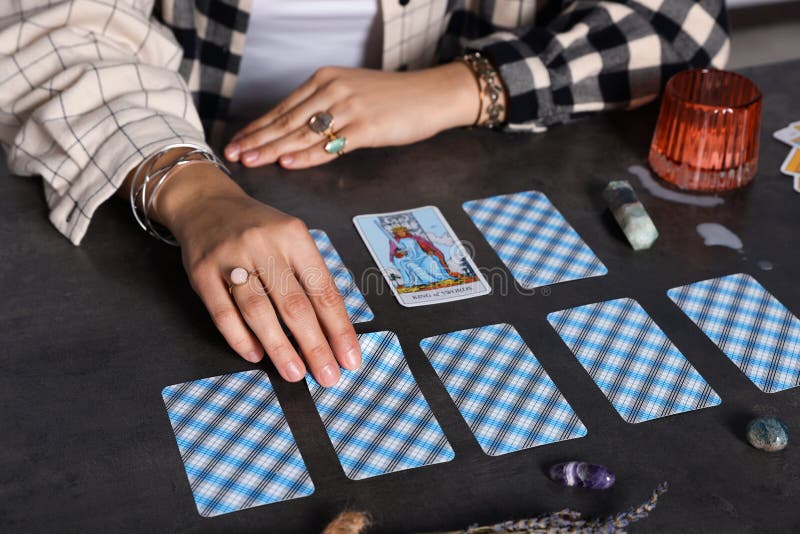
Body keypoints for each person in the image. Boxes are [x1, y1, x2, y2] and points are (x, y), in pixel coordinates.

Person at [0, 1, 730, 388]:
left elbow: (684, 24)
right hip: (169, 154)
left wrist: (468, 86)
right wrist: (194, 192)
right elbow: (43, 23)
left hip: (434, 160)